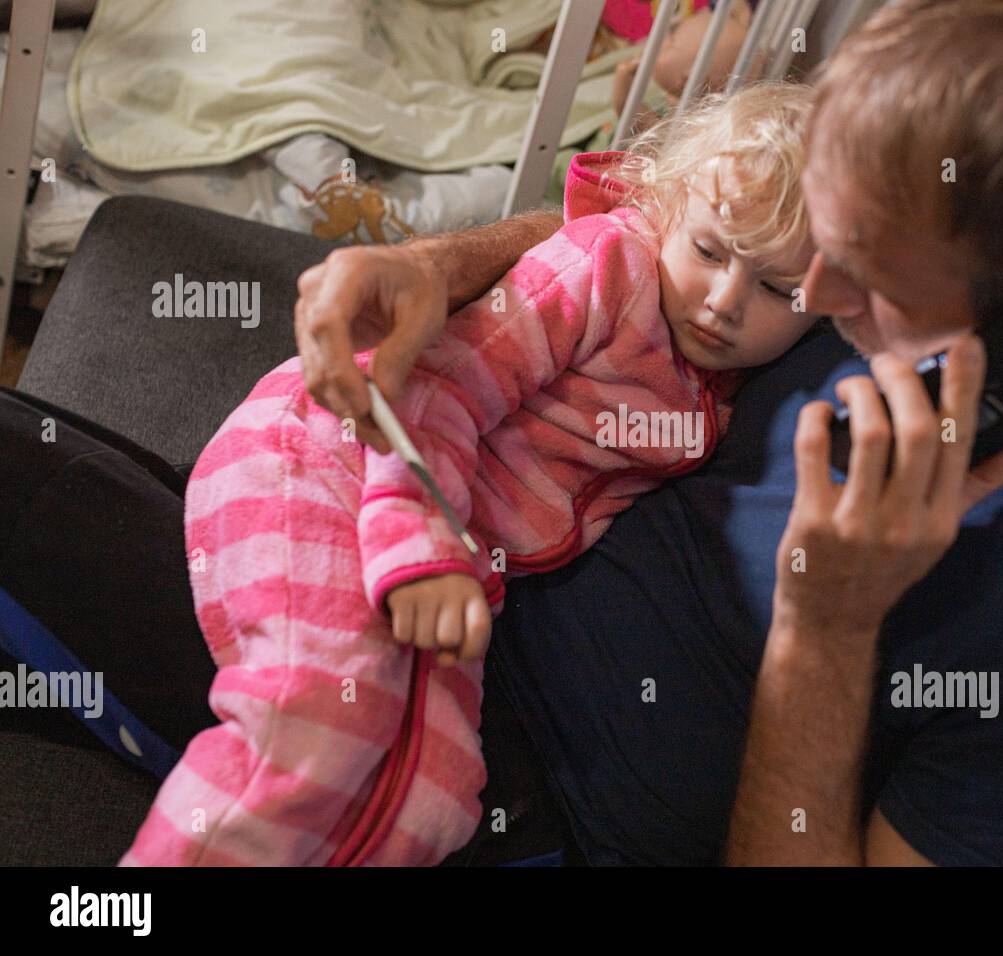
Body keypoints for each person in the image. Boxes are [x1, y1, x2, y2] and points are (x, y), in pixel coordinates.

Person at [296, 0, 1003, 865]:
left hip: (513, 796)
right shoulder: (949, 254)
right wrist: (441, 264)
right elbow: (655, 234)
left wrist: (826, 625)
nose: (816, 299)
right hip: (452, 549)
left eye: (867, 280)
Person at [118, 84, 822, 866]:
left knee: (438, 800)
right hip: (336, 459)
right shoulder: (605, 265)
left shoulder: (720, 397)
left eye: (776, 288)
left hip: (450, 574)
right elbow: (435, 389)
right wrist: (420, 547)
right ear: (665, 200)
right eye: (710, 250)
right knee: (315, 716)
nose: (725, 302)